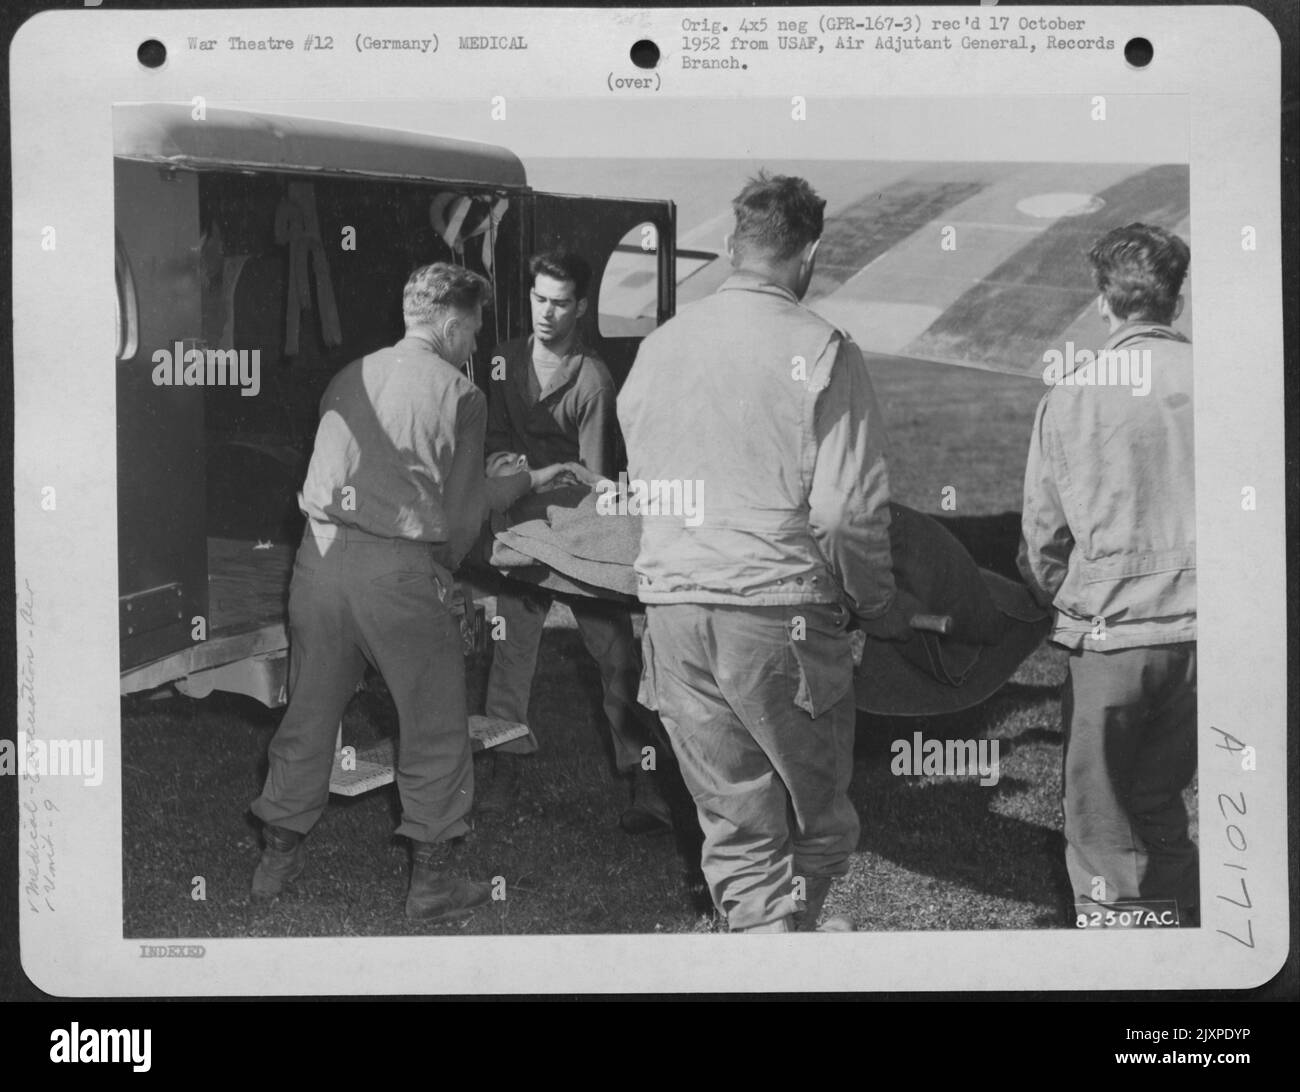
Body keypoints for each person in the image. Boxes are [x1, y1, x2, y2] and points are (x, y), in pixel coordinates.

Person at [617, 173, 915, 933]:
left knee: (736, 825)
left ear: (729, 245)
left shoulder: (658, 346)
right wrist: (876, 605)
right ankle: (795, 940)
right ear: (809, 253)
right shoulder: (822, 347)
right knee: (819, 819)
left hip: (674, 609)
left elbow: (642, 481)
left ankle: (764, 938)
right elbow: (847, 514)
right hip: (778, 612)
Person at [249, 263, 573, 922]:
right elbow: (454, 531)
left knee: (309, 715)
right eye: (475, 333)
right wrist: (512, 483)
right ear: (453, 324)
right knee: (435, 729)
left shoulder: (350, 374)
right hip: (396, 577)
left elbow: (371, 467)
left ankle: (274, 864)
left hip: (317, 566)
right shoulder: (462, 394)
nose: (476, 347)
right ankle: (432, 886)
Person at [1017, 223, 1197, 927]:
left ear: (1103, 301)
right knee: (1160, 802)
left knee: (1099, 824)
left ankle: (1124, 959)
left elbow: (1041, 541)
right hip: (1202, 634)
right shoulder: (1230, 381)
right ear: (1175, 301)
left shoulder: (1073, 393)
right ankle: (1179, 937)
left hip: (1111, 638)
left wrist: (1067, 603)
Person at [479, 250, 671, 834]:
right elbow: (489, 436)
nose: (546, 311)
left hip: (583, 539)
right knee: (511, 648)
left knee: (615, 655)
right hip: (521, 532)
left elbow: (595, 478)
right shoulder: (502, 360)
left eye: (560, 302)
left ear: (581, 307)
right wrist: (501, 463)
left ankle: (645, 781)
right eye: (539, 297)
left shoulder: (593, 379)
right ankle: (505, 760)